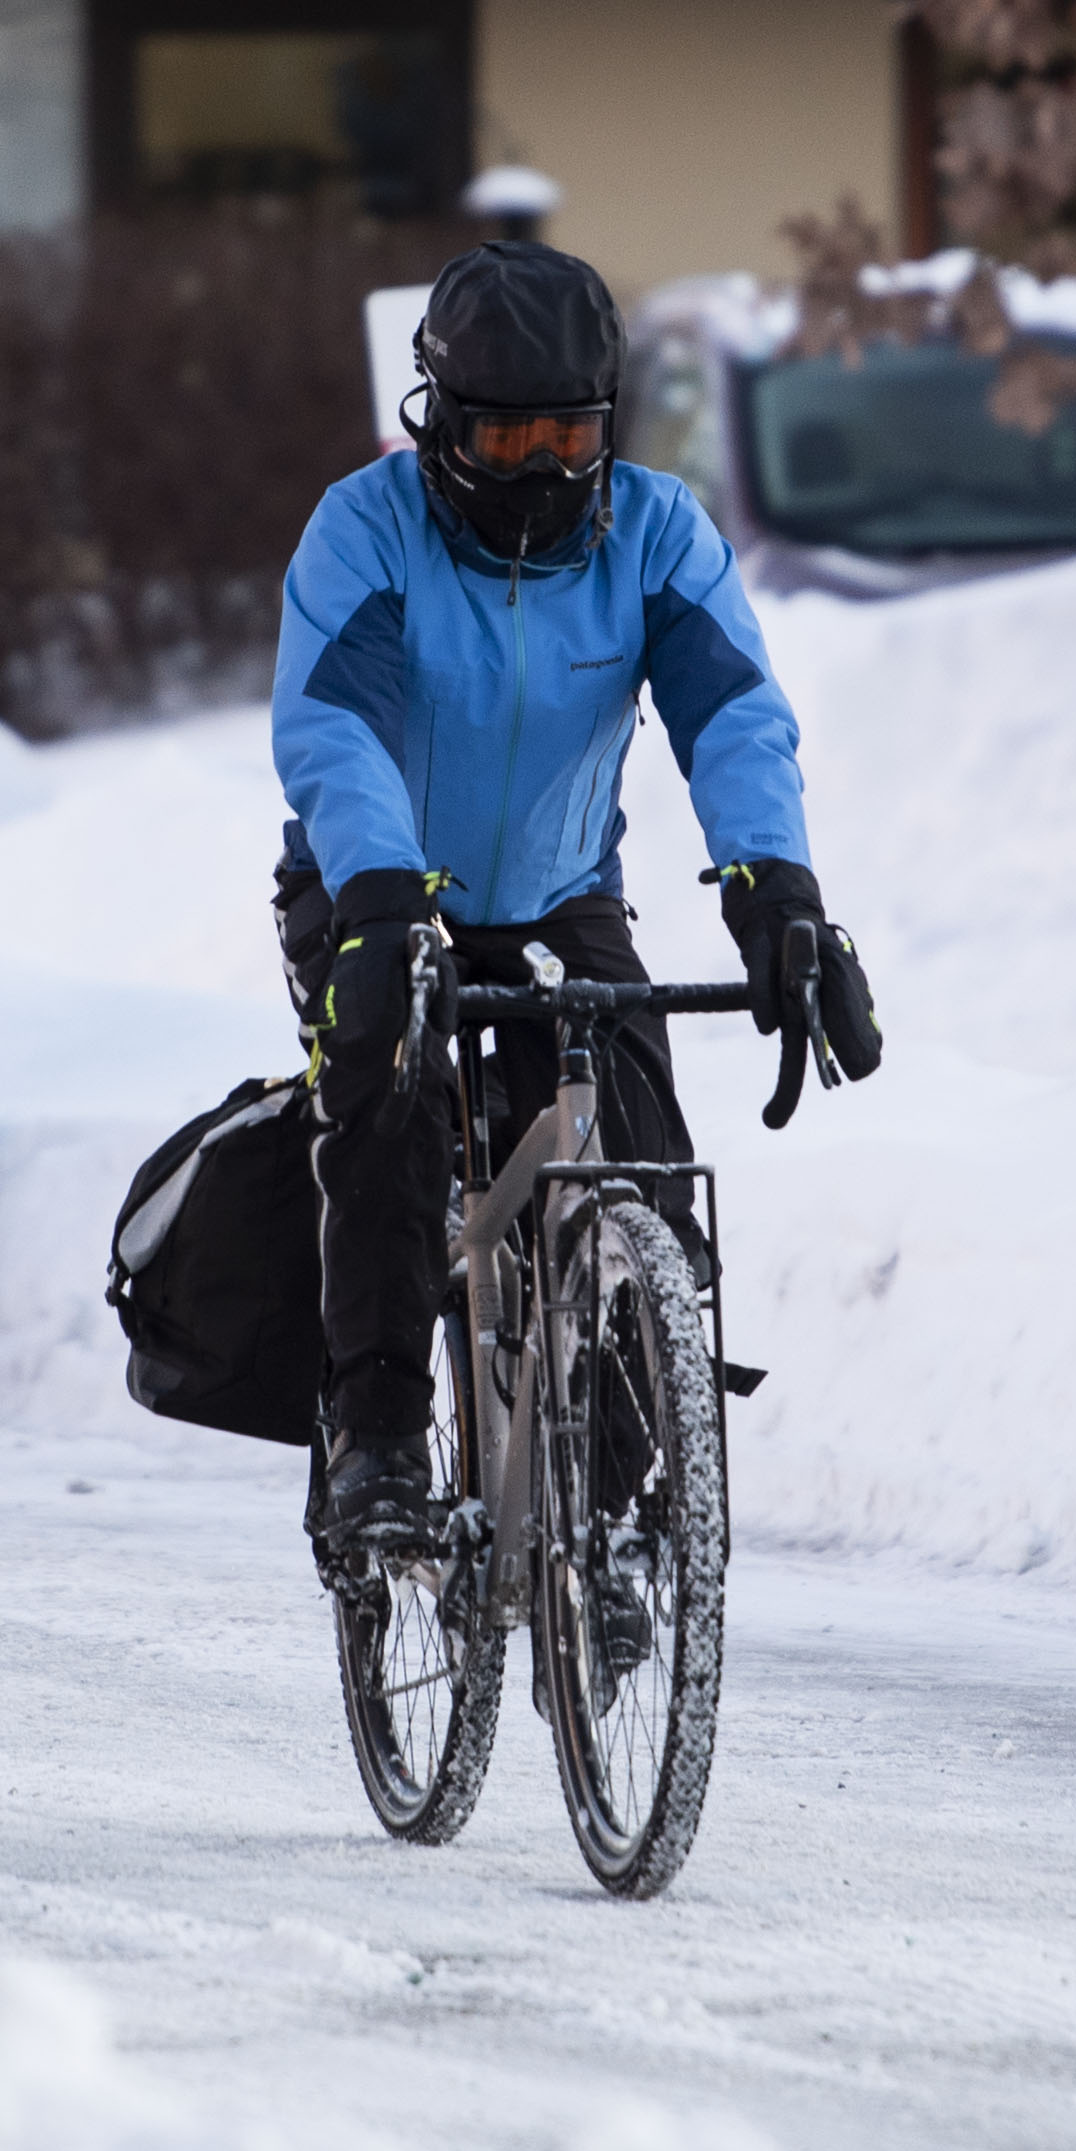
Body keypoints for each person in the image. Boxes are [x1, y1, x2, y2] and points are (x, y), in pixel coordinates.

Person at [270, 240, 880, 1543]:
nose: (542, 471)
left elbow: (732, 714)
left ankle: (608, 1520)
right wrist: (378, 898)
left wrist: (777, 894)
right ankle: (377, 1438)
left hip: (556, 895)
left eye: (569, 436)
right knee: (390, 1110)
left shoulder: (656, 532)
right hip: (373, 885)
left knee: (638, 1146)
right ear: (439, 423)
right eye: (506, 441)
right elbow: (338, 729)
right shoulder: (362, 531)